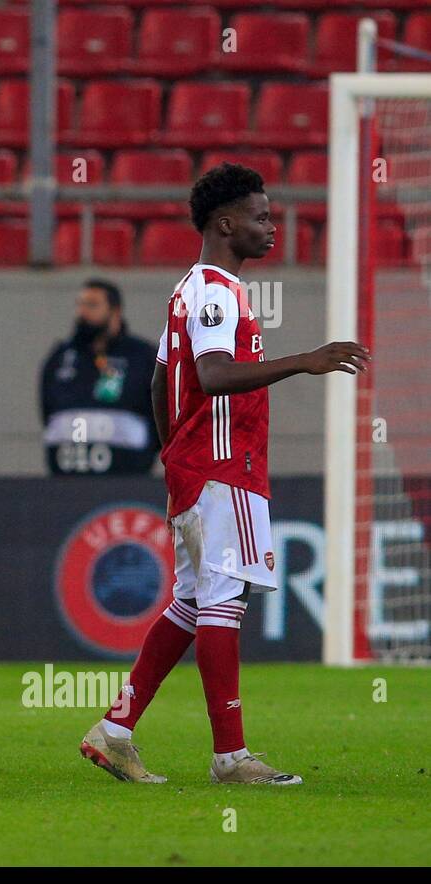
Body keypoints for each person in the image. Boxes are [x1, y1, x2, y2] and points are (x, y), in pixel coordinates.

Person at [80, 163, 370, 786]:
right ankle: (230, 757)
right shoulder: (214, 291)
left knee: (189, 602)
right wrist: (306, 361)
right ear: (226, 223)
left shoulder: (188, 290)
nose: (272, 227)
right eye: (261, 217)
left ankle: (114, 731)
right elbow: (210, 375)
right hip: (222, 469)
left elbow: (162, 378)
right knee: (220, 602)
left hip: (196, 468)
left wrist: (172, 451)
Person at [39, 279, 160, 475]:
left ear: (115, 311)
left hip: (129, 480)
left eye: (92, 305)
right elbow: (46, 411)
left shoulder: (143, 356)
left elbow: (161, 413)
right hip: (65, 480)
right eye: (80, 305)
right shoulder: (60, 357)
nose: (82, 313)